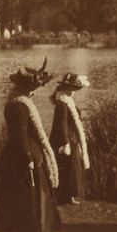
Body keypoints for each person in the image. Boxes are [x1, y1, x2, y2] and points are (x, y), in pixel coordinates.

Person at [0, 58, 61, 232]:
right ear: (27, 88)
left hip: (22, 154)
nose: (35, 92)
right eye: (33, 88)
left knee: (22, 195)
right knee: (31, 195)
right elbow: (20, 135)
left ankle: (26, 231)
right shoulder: (19, 106)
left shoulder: (17, 103)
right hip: (24, 155)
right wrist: (28, 157)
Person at [50, 73, 91, 205]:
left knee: (71, 168)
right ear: (68, 88)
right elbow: (60, 124)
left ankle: (68, 196)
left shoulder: (66, 100)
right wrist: (65, 142)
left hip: (70, 137)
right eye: (73, 88)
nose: (75, 91)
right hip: (65, 139)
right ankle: (64, 196)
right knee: (68, 168)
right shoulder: (63, 102)